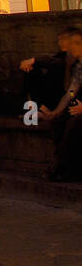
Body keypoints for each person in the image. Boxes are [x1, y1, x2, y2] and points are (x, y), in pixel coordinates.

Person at [40, 30, 82, 181]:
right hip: (78, 106)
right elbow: (71, 92)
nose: (73, 47)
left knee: (74, 124)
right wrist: (56, 111)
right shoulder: (78, 67)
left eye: (77, 43)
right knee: (58, 122)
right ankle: (62, 167)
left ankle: (61, 168)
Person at [20, 29, 78, 111]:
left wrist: (35, 60)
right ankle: (35, 105)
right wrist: (29, 63)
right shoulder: (61, 55)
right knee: (31, 69)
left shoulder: (76, 55)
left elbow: (59, 63)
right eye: (59, 39)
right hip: (54, 93)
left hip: (70, 93)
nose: (61, 42)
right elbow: (52, 60)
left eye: (64, 39)